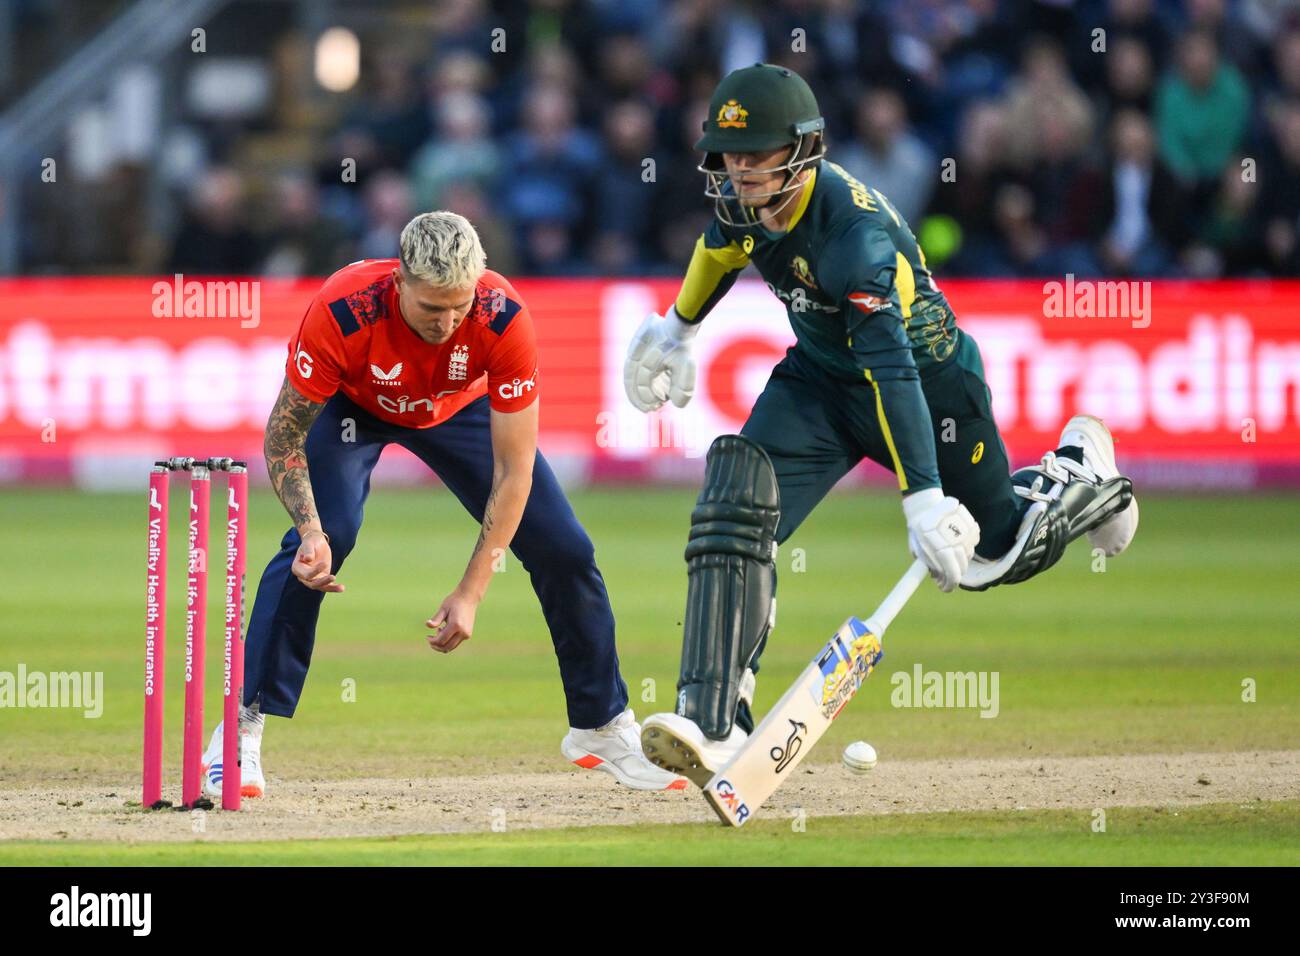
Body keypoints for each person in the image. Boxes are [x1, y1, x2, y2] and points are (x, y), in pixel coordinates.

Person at [624, 65, 1139, 785]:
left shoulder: (855, 239)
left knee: (994, 552)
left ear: (802, 152)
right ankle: (715, 724)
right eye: (729, 154)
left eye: (756, 154)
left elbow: (893, 373)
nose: (737, 170)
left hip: (930, 390)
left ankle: (1086, 475)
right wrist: (677, 328)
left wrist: (923, 496)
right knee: (735, 503)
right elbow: (721, 248)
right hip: (822, 383)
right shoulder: (748, 202)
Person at [202, 211, 686, 796]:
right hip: (355, 407)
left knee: (565, 548)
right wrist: (309, 529)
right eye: (432, 309)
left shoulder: (502, 316)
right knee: (331, 537)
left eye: (459, 307)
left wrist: (472, 589)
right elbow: (282, 439)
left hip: (457, 408)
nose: (448, 322)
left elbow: (513, 472)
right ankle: (240, 730)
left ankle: (602, 726)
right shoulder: (342, 308)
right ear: (398, 282)